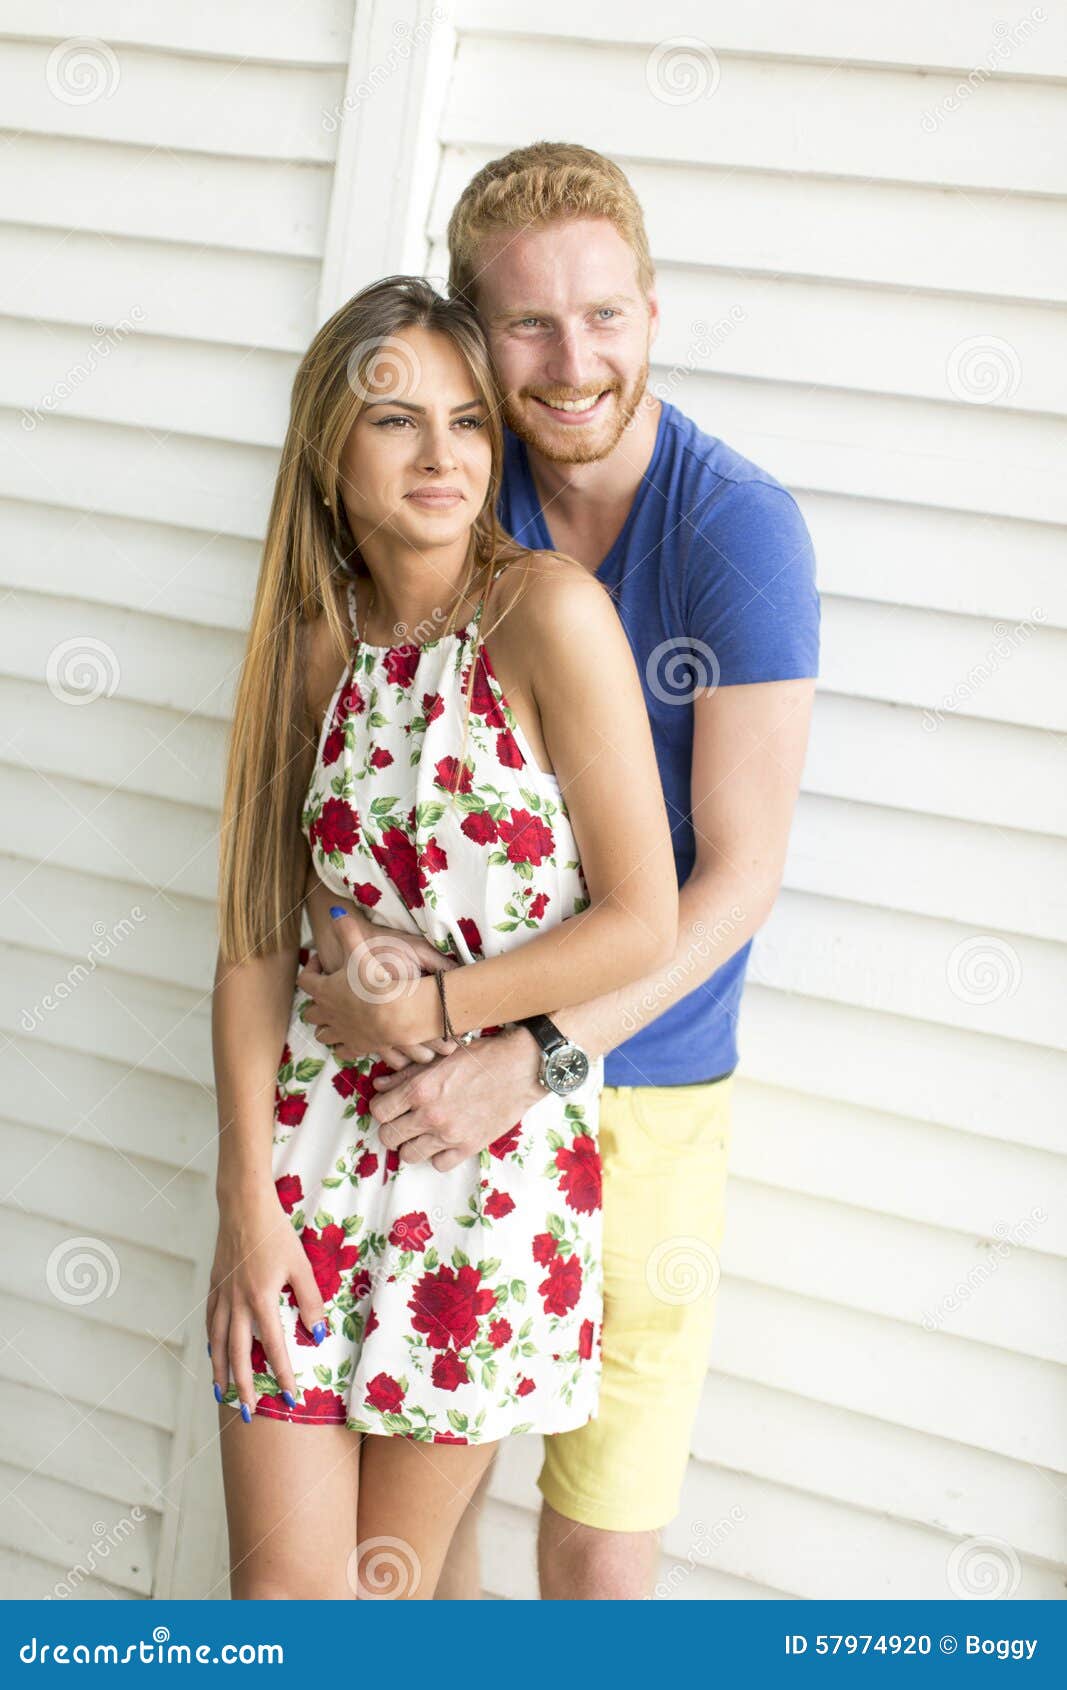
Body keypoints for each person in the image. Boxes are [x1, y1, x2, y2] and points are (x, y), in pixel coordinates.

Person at [302, 142, 820, 1600]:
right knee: (421, 1508)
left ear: (652, 311)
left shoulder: (734, 531)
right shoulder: (459, 481)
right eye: (528, 323)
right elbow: (355, 757)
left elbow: (739, 874)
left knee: (595, 1534)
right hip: (418, 1072)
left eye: (603, 314)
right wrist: (350, 942)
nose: (572, 359)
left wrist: (534, 1057)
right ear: (480, 334)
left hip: (638, 1085)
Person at [208, 274, 677, 1599]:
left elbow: (643, 920)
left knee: (380, 1598)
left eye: (469, 422)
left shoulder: (549, 616)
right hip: (303, 1161)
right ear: (330, 457)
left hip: (479, 1170)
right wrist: (247, 1198)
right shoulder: (309, 644)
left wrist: (440, 1004)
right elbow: (251, 939)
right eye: (395, 421)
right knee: (284, 1614)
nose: (441, 455)